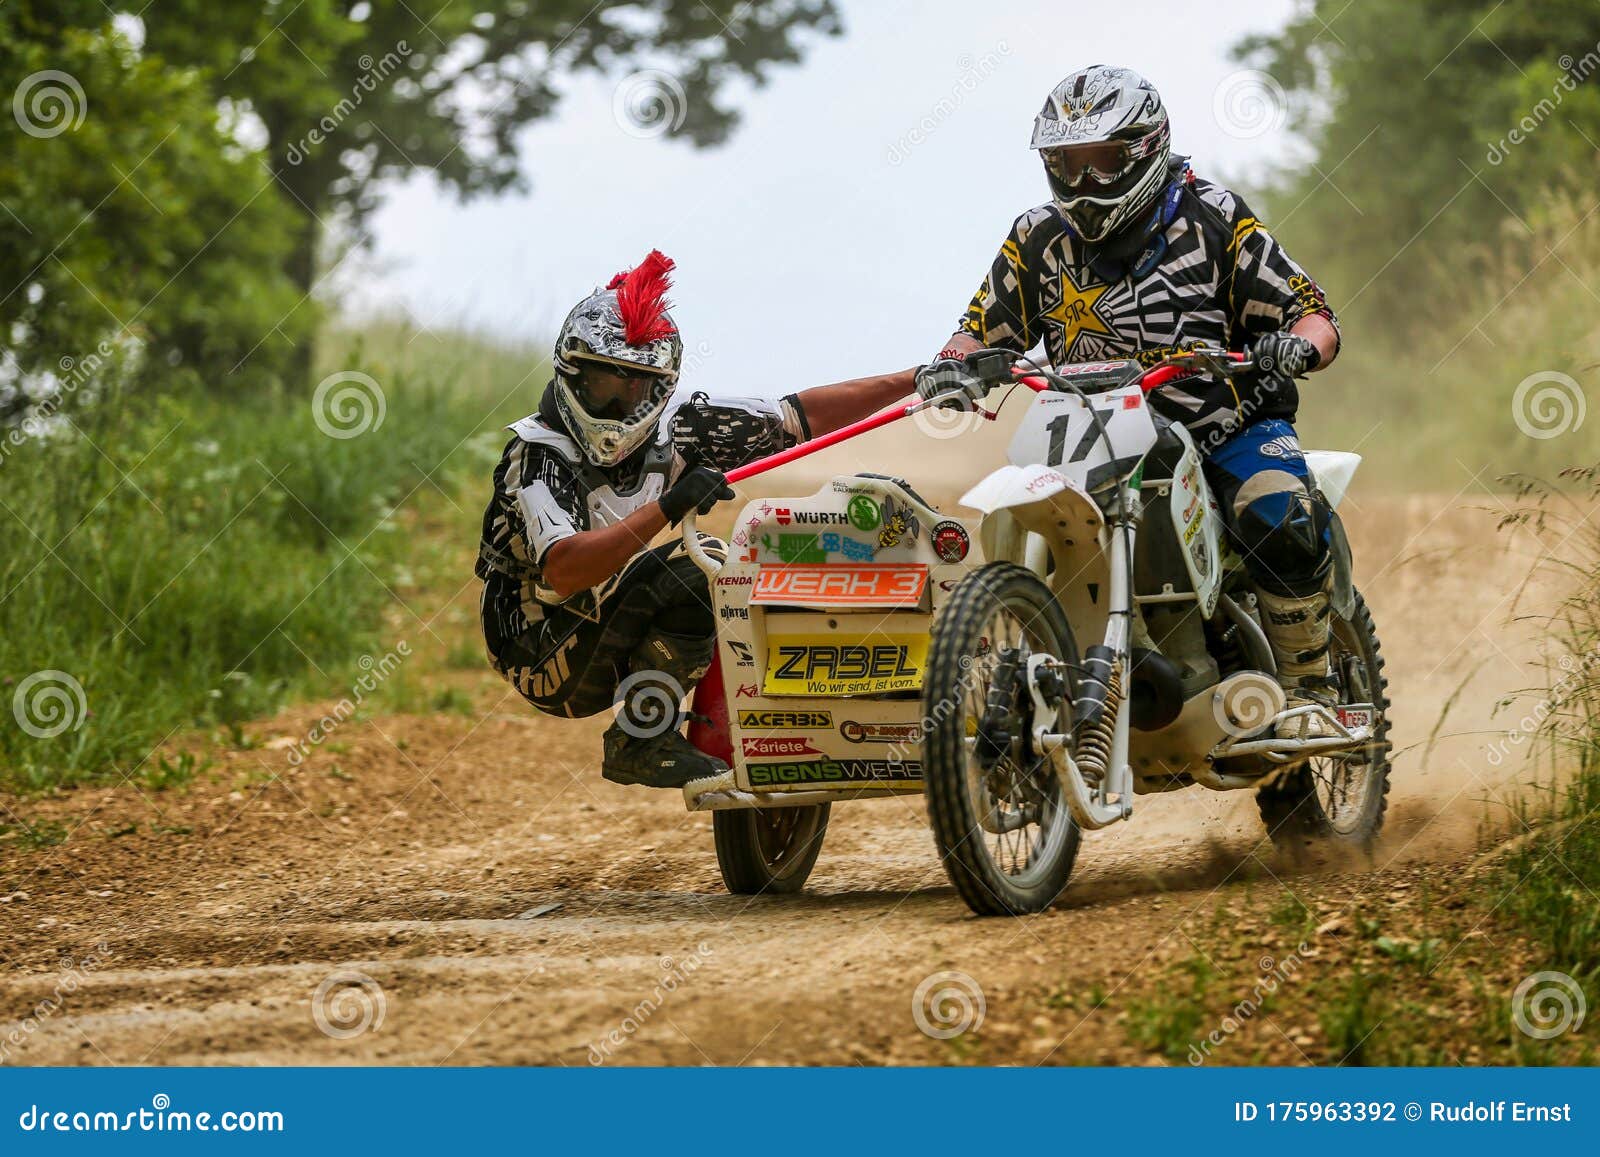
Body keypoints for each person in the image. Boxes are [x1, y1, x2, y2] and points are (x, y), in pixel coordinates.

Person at [917, 64, 1344, 733]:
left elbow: (1313, 312)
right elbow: (976, 331)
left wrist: (1295, 345)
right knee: (1011, 510)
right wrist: (951, 365)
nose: (1084, 183)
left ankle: (1311, 688)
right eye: (1069, 164)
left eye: (1102, 161)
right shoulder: (1036, 237)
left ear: (1146, 149)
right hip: (1088, 430)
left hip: (1224, 424)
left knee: (1276, 510)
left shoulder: (1214, 214)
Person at [476, 250, 914, 788]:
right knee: (695, 563)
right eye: (601, 384)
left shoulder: (683, 424)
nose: (616, 406)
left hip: (601, 621)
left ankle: (753, 726)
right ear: (570, 373)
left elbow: (800, 416)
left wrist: (916, 379)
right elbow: (565, 571)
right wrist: (670, 504)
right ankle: (640, 741)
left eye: (633, 389)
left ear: (660, 388)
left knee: (742, 564)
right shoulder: (538, 453)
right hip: (537, 648)